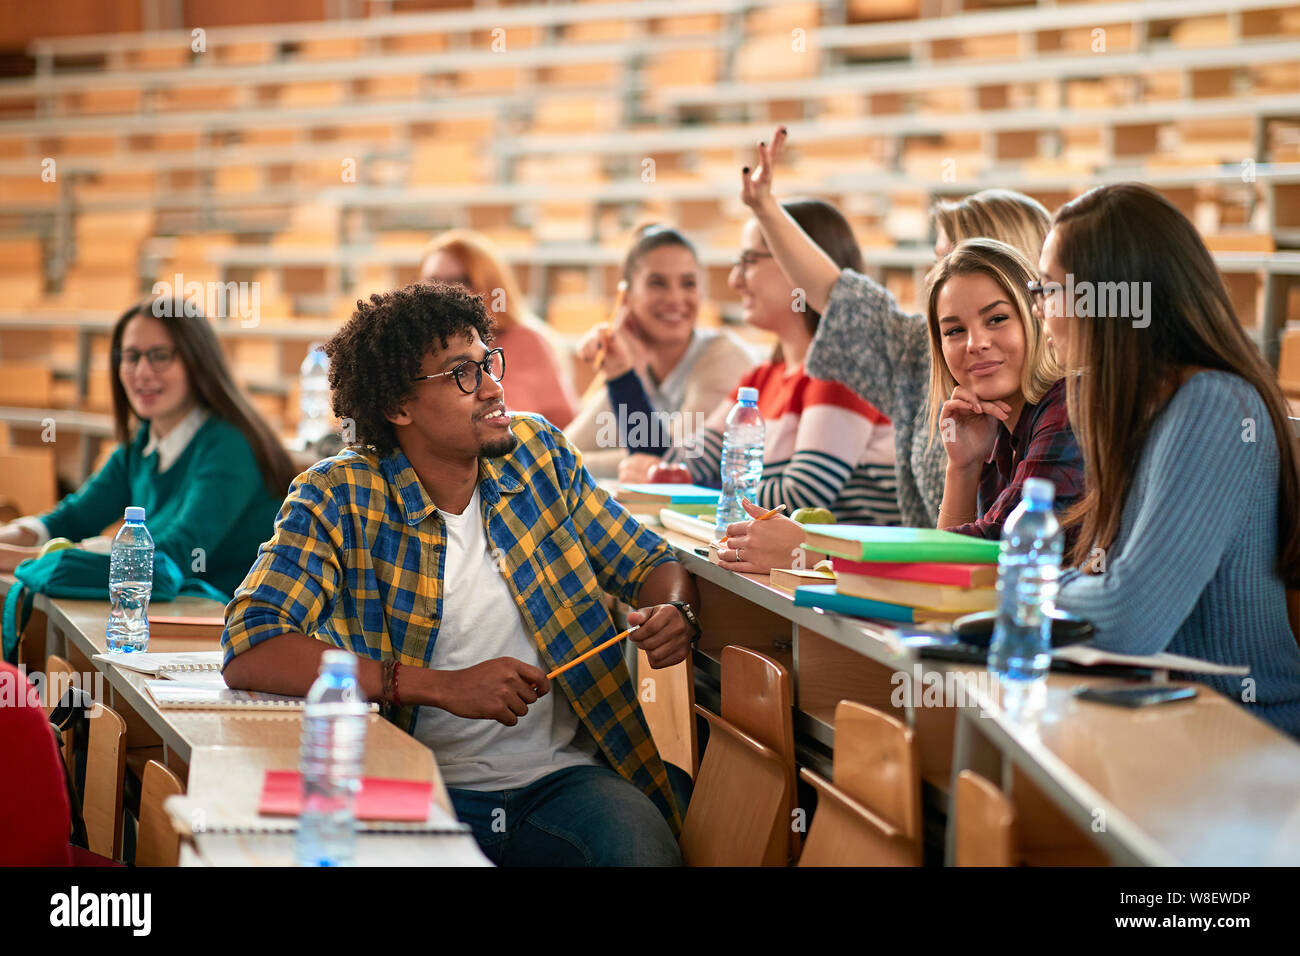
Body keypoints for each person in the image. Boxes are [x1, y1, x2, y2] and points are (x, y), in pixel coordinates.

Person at [222, 282, 703, 865]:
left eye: (488, 363)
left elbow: (651, 562)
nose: (494, 387)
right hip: (409, 781)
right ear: (398, 406)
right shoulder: (340, 494)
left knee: (641, 851)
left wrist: (674, 609)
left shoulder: (539, 456)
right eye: (461, 374)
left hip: (563, 782)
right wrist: (440, 686)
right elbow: (253, 645)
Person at [1044, 184, 1300, 736]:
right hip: (1167, 724)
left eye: (1051, 290)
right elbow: (1107, 588)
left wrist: (1024, 588)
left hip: (1247, 738)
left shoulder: (1214, 407)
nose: (1042, 310)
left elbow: (1126, 619)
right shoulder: (1136, 409)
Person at [739, 125, 1052, 528]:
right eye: (939, 262)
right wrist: (764, 207)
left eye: (952, 260)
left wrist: (811, 549)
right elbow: (839, 297)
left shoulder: (1060, 406)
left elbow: (992, 561)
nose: (939, 279)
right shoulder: (924, 352)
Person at [633, 201, 902, 574]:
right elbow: (684, 465)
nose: (735, 280)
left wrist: (711, 488)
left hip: (852, 584)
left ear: (799, 262)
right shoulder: (759, 378)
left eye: (749, 262)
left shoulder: (844, 375)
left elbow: (796, 501)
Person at [0, 298, 297, 596]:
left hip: (223, 626)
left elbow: (172, 557)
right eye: (131, 357)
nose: (141, 372)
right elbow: (74, 518)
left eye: (159, 356)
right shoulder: (141, 444)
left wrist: (17, 558)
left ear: (196, 362)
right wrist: (9, 537)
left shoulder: (230, 447)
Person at [926, 238, 1083, 547]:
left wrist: (845, 557)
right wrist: (963, 467)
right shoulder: (997, 429)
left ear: (1035, 319)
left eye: (996, 319)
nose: (975, 343)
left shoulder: (1069, 405)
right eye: (955, 331)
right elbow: (948, 575)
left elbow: (998, 546)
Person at [564, 224, 753, 479]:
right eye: (657, 283)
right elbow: (564, 451)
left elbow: (670, 463)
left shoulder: (723, 357)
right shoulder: (636, 364)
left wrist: (624, 377)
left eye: (688, 283)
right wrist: (629, 369)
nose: (675, 298)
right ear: (626, 297)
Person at [420, 230, 579, 429]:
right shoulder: (419, 348)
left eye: (461, 281)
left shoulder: (527, 341)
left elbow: (565, 428)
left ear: (489, 284)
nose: (445, 293)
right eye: (433, 282)